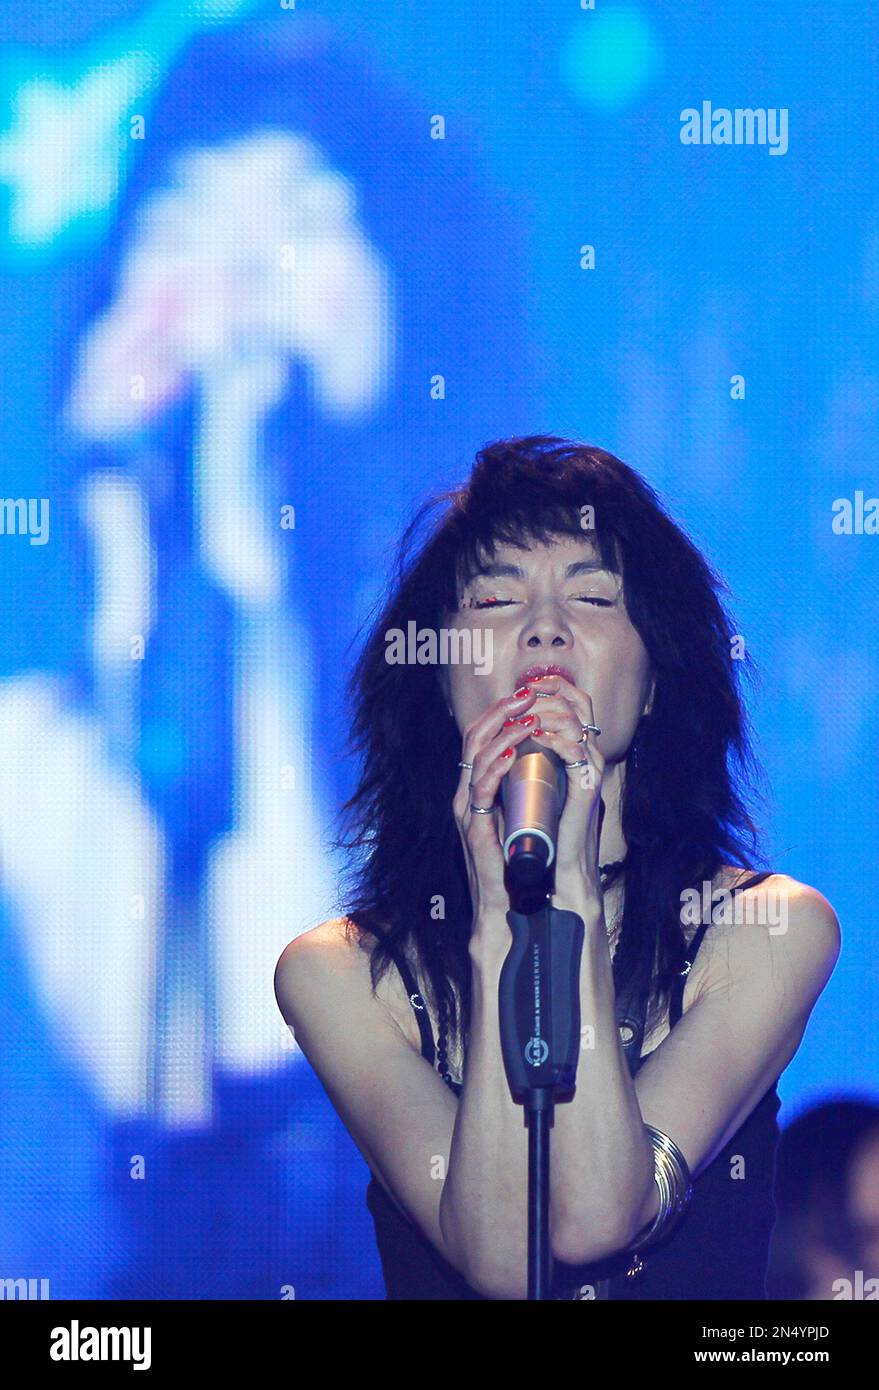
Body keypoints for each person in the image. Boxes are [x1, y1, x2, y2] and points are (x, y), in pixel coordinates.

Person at [274, 435, 840, 1300]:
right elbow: (503, 1260)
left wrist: (567, 883)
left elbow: (590, 1218)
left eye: (593, 595)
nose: (543, 627)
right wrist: (503, 916)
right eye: (496, 598)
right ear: (438, 679)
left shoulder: (769, 930)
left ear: (655, 686)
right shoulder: (342, 973)